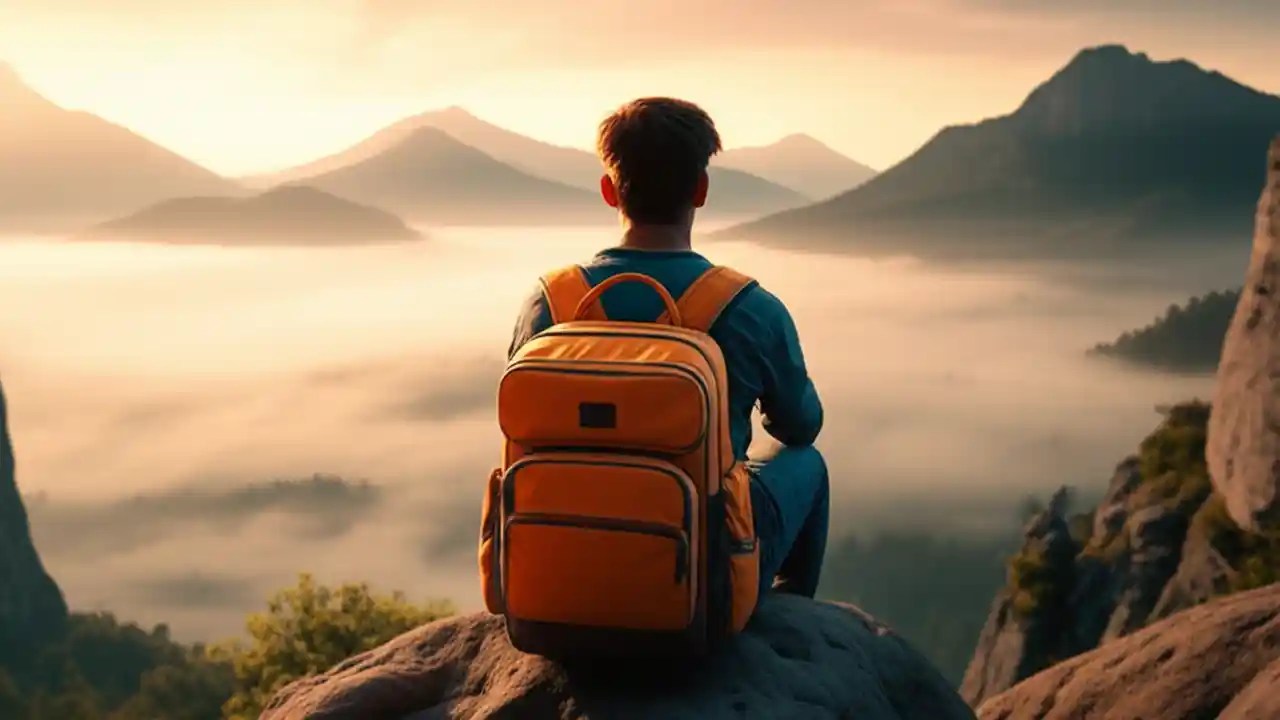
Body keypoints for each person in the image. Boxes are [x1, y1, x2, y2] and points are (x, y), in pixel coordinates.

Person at [507, 97, 829, 600]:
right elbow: (801, 425)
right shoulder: (750, 308)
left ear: (608, 191)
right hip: (696, 590)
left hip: (554, 581)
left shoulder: (548, 304)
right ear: (700, 190)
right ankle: (783, 620)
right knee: (807, 462)